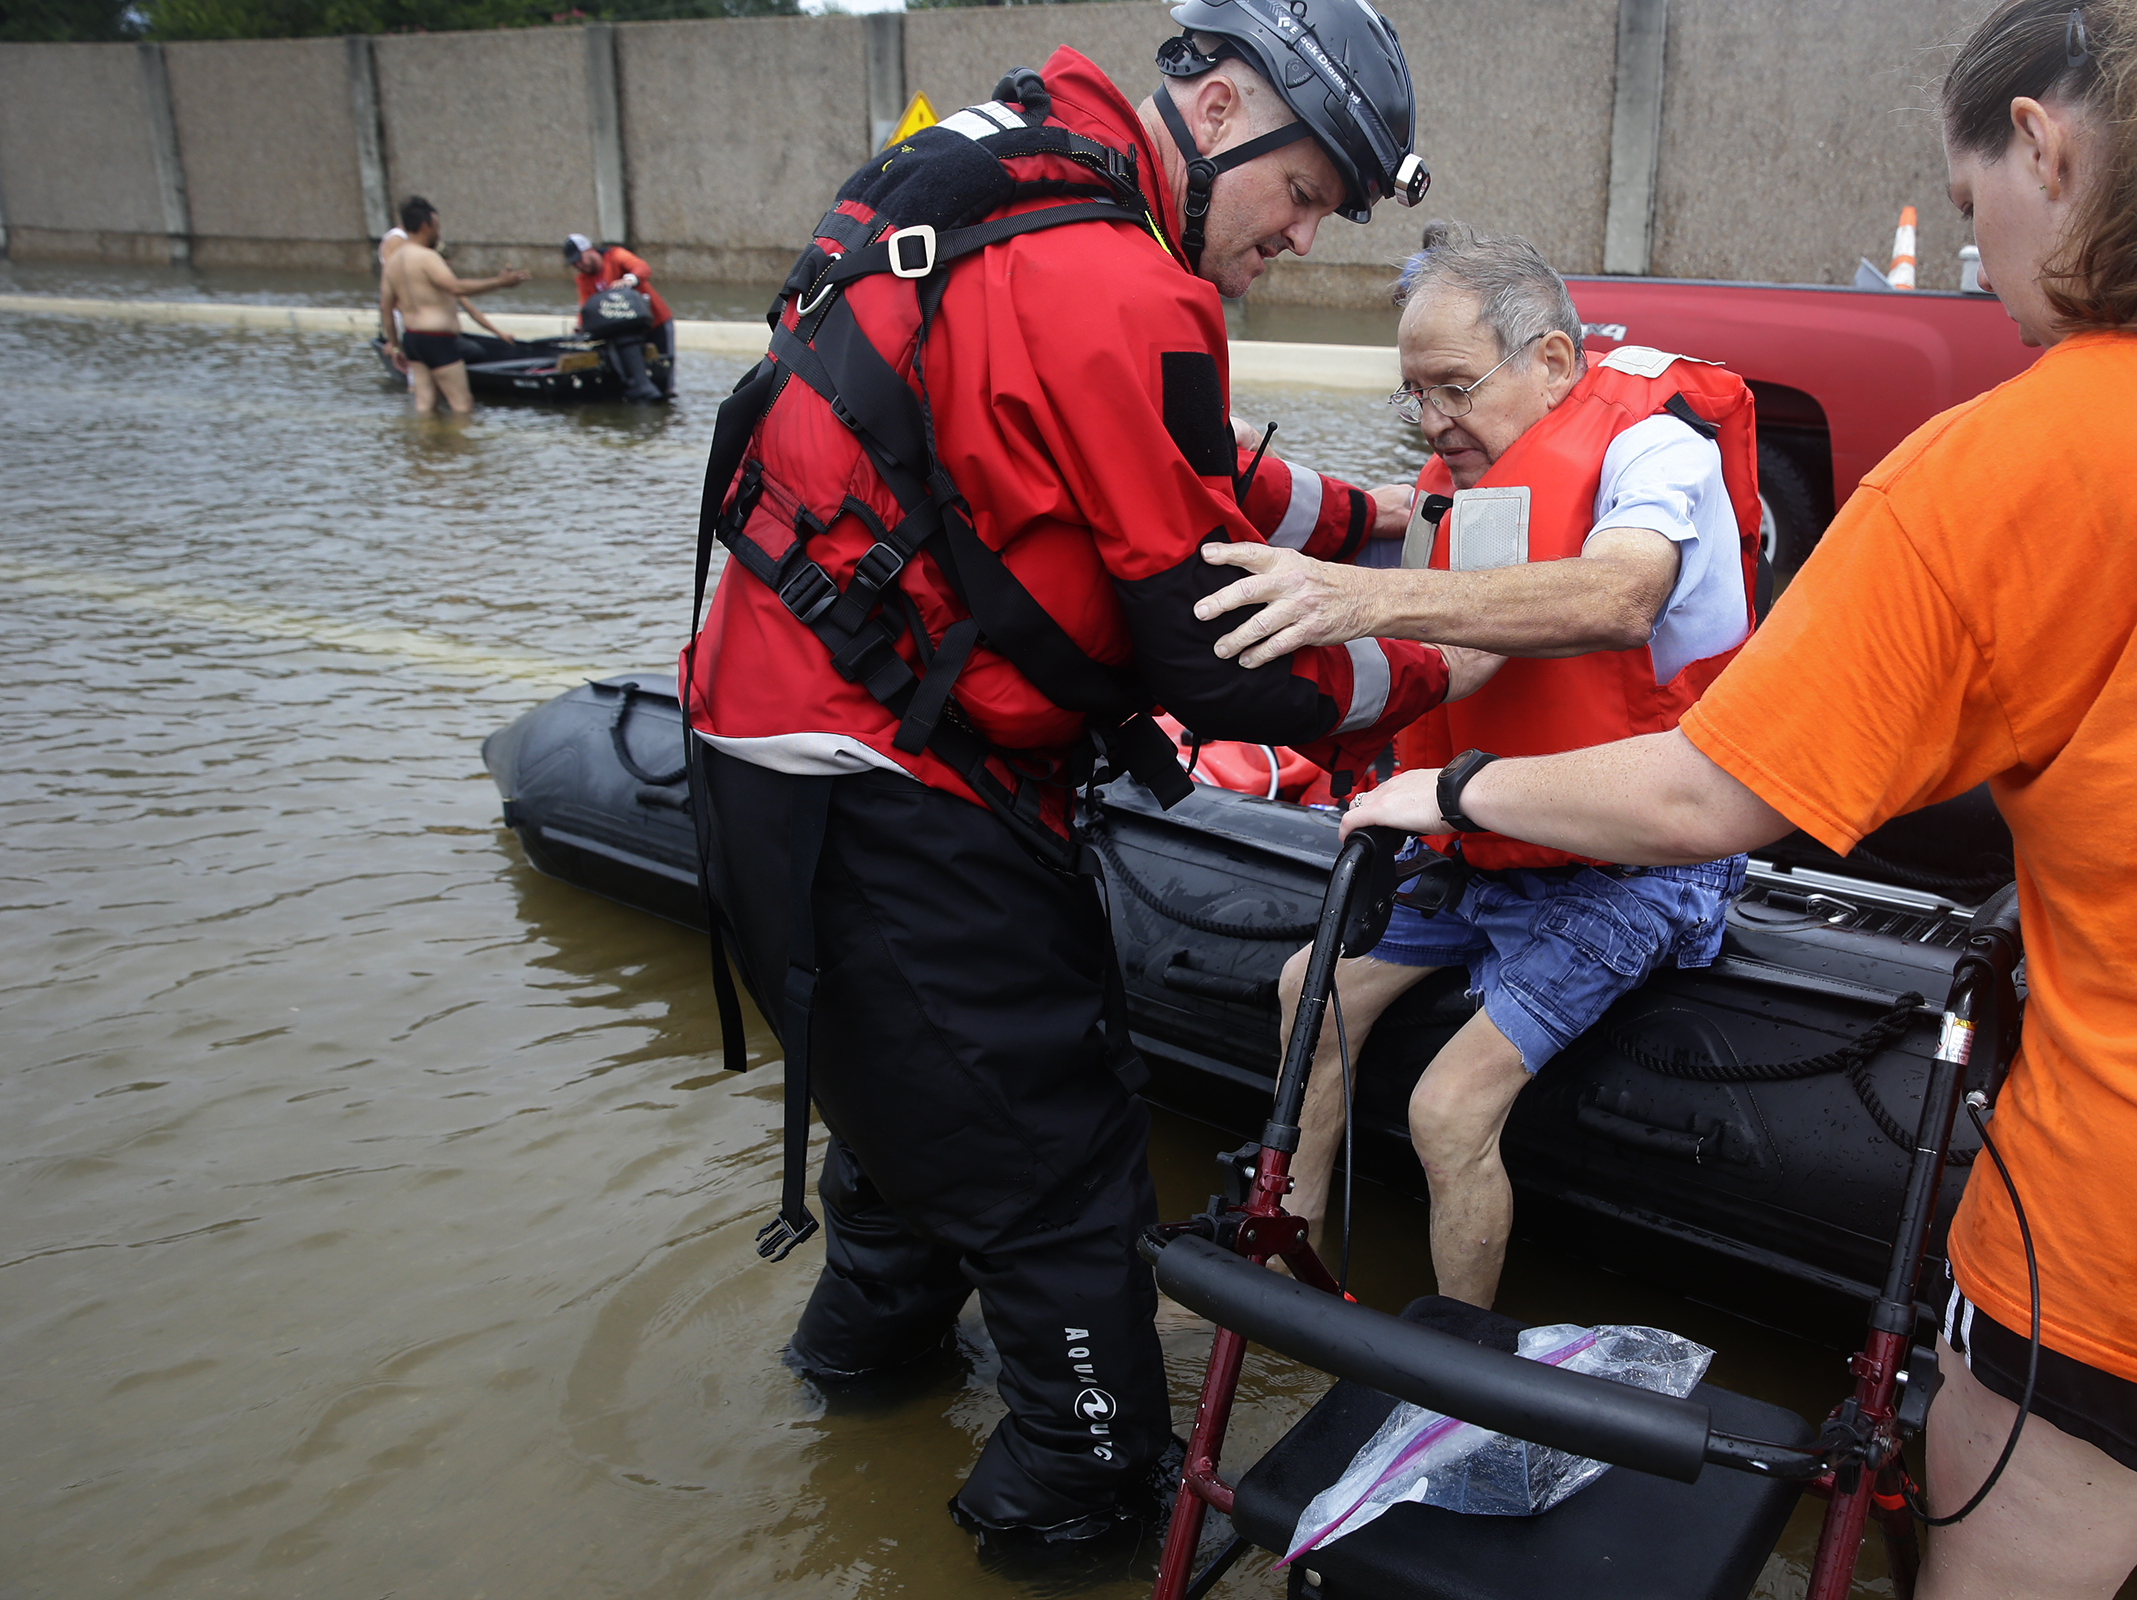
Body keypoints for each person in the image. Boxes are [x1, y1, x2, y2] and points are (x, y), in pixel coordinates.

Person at [1343, 0, 2137, 1593]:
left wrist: (1457, 786)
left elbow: (1710, 795)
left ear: (2040, 146)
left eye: (1972, 214)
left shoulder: (2003, 466)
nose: (1981, 269)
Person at [681, 0, 1481, 1562]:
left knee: (914, 1148)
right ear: (1224, 103)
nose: (1303, 236)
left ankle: (853, 1400)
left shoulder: (1008, 184)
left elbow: (1181, 471)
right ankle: (1073, 1506)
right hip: (885, 786)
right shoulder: (1113, 275)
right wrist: (1452, 662)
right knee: (1062, 1191)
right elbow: (1218, 663)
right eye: (1305, 191)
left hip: (780, 751)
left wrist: (1383, 519)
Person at [1193, 223, 1758, 1308]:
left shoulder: (1657, 449)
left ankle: (1452, 1371)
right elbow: (1459, 662)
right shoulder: (1483, 487)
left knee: (1447, 1107)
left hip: (1641, 857)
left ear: (1549, 358)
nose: (1435, 419)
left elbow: (1616, 597)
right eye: (1417, 395)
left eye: (1453, 386)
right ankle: (1281, 1258)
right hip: (1491, 835)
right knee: (1305, 990)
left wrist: (1360, 593)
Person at [377, 196, 528, 415]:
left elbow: (386, 307)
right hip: (437, 340)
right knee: (462, 405)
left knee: (425, 404)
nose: (438, 234)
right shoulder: (427, 257)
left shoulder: (393, 262)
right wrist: (500, 282)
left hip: (412, 338)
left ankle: (425, 448)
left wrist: (395, 345)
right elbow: (456, 288)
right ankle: (458, 448)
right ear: (424, 226)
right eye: (436, 227)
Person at [564, 232, 673, 395]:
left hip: (656, 323)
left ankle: (666, 401)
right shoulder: (583, 280)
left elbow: (642, 267)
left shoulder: (615, 256)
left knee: (664, 374)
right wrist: (581, 325)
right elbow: (585, 305)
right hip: (622, 331)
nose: (579, 265)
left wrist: (629, 280)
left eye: (580, 259)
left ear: (589, 250)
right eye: (574, 263)